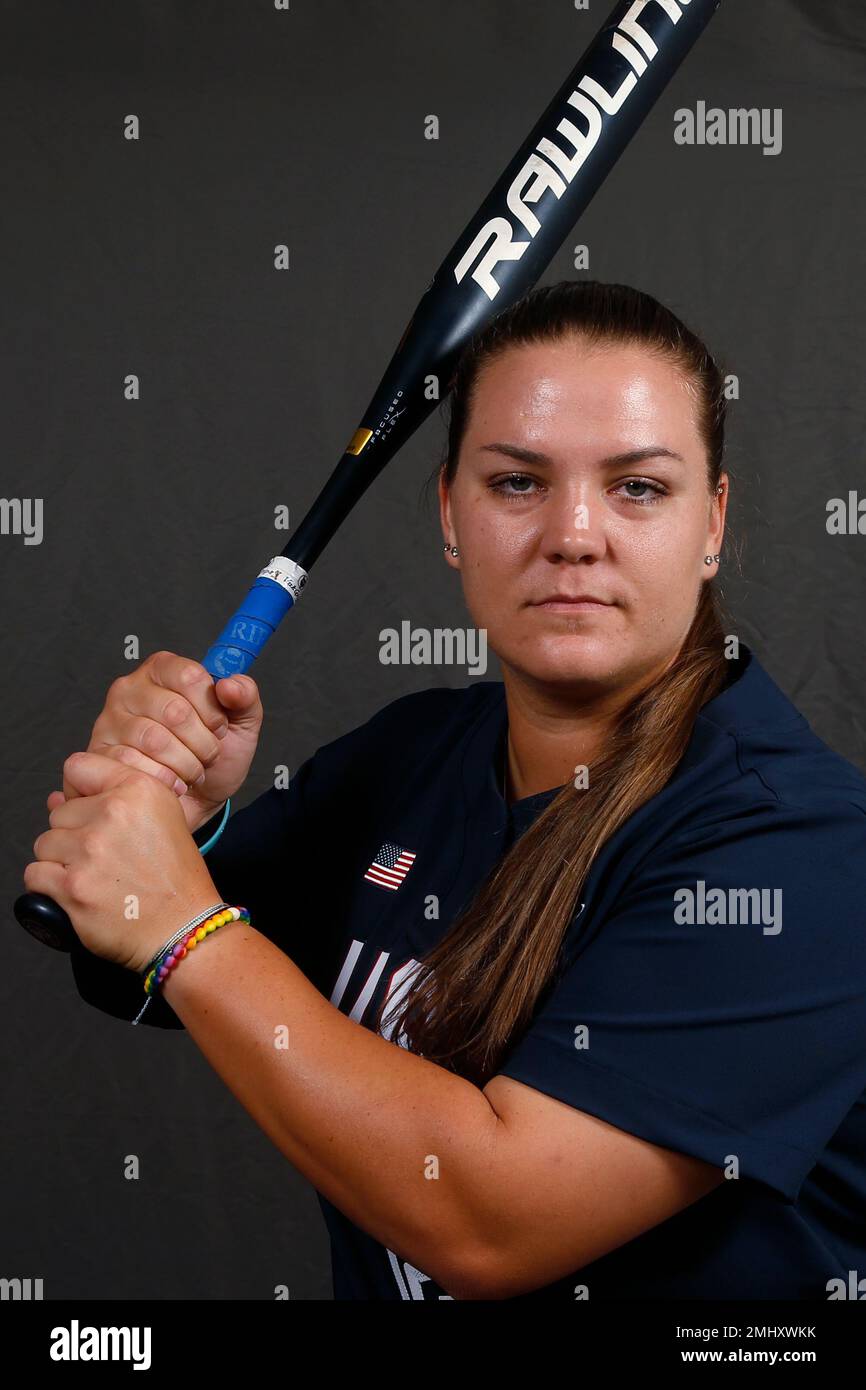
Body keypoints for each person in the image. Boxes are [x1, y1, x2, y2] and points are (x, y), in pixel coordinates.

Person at [29, 281, 866, 1301]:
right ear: (448, 514)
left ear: (711, 521)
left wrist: (182, 927)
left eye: (636, 487)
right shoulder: (412, 753)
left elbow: (486, 1222)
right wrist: (178, 818)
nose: (572, 533)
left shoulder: (796, 852)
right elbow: (134, 969)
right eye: (516, 482)